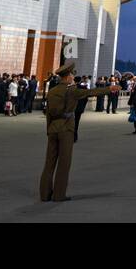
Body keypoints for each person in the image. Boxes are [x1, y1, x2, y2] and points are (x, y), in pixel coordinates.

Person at [39, 63, 111, 203]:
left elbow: (48, 113)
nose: (73, 77)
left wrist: (48, 129)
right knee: (64, 162)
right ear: (69, 76)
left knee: (49, 162)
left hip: (53, 128)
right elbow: (90, 92)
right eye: (72, 75)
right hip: (66, 128)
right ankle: (59, 195)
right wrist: (110, 89)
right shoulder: (71, 90)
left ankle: (44, 194)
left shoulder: (52, 91)